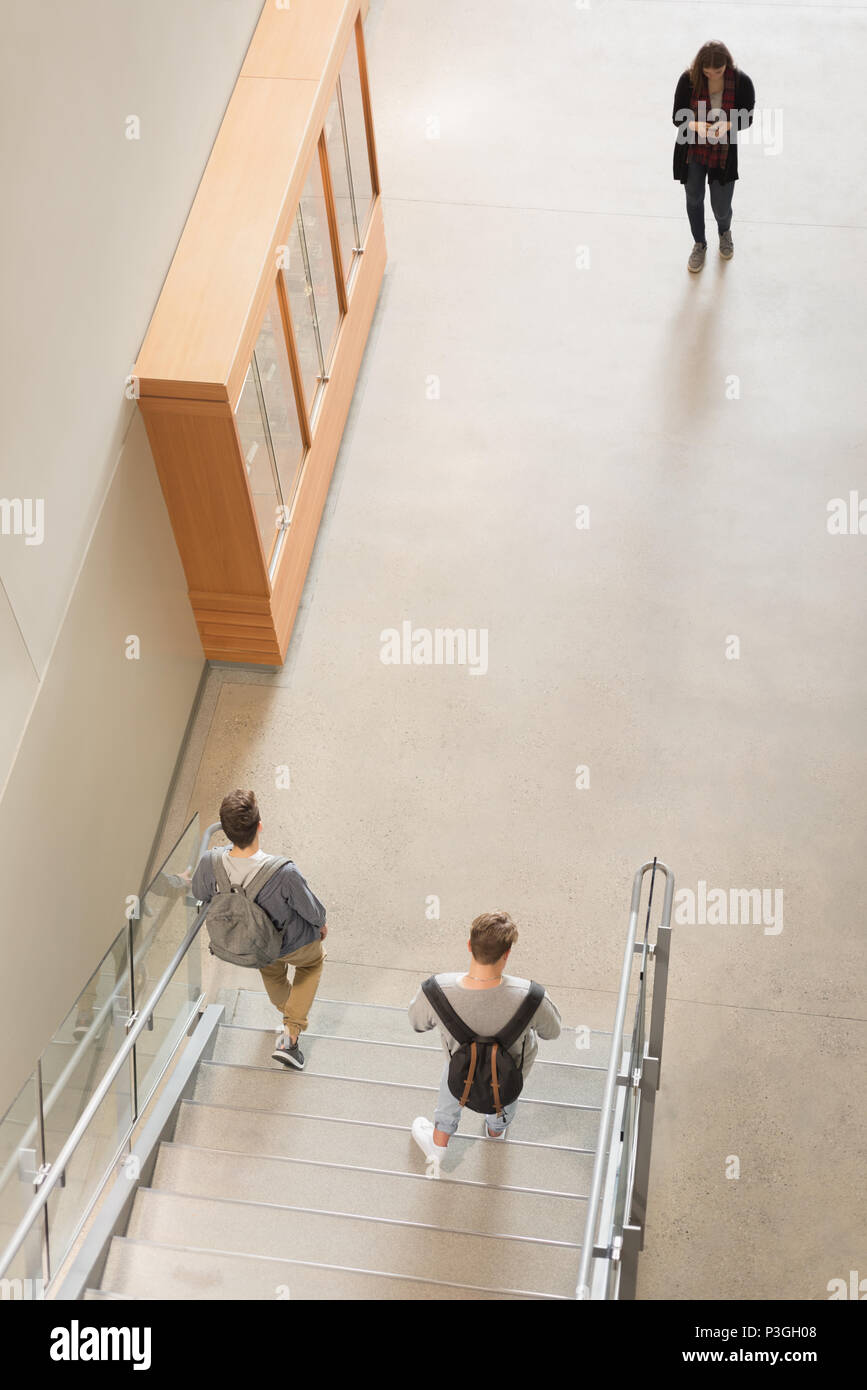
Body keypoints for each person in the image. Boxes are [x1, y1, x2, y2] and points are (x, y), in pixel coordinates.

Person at [407, 911, 561, 1176]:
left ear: (469, 946)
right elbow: (553, 1032)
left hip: (459, 1073)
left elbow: (417, 1023)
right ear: (507, 953)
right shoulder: (533, 997)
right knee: (510, 1073)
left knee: (458, 1064)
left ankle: (439, 1143)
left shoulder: (435, 991)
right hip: (508, 1077)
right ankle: (495, 1130)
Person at [192, 789, 327, 1071]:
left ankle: (290, 1015)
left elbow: (199, 892)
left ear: (226, 831)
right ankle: (290, 1035)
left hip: (256, 946)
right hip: (295, 943)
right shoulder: (283, 872)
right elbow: (312, 911)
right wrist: (321, 925)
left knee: (272, 971)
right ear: (260, 826)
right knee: (313, 963)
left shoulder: (209, 862)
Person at [672, 40, 755, 272]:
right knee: (694, 199)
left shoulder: (741, 82)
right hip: (692, 151)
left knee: (721, 205)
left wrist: (728, 124)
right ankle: (699, 243)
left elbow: (748, 118)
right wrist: (696, 125)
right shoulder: (688, 80)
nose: (711, 76)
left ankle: (724, 232)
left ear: (727, 65)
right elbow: (677, 117)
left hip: (723, 153)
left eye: (717, 72)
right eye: (706, 72)